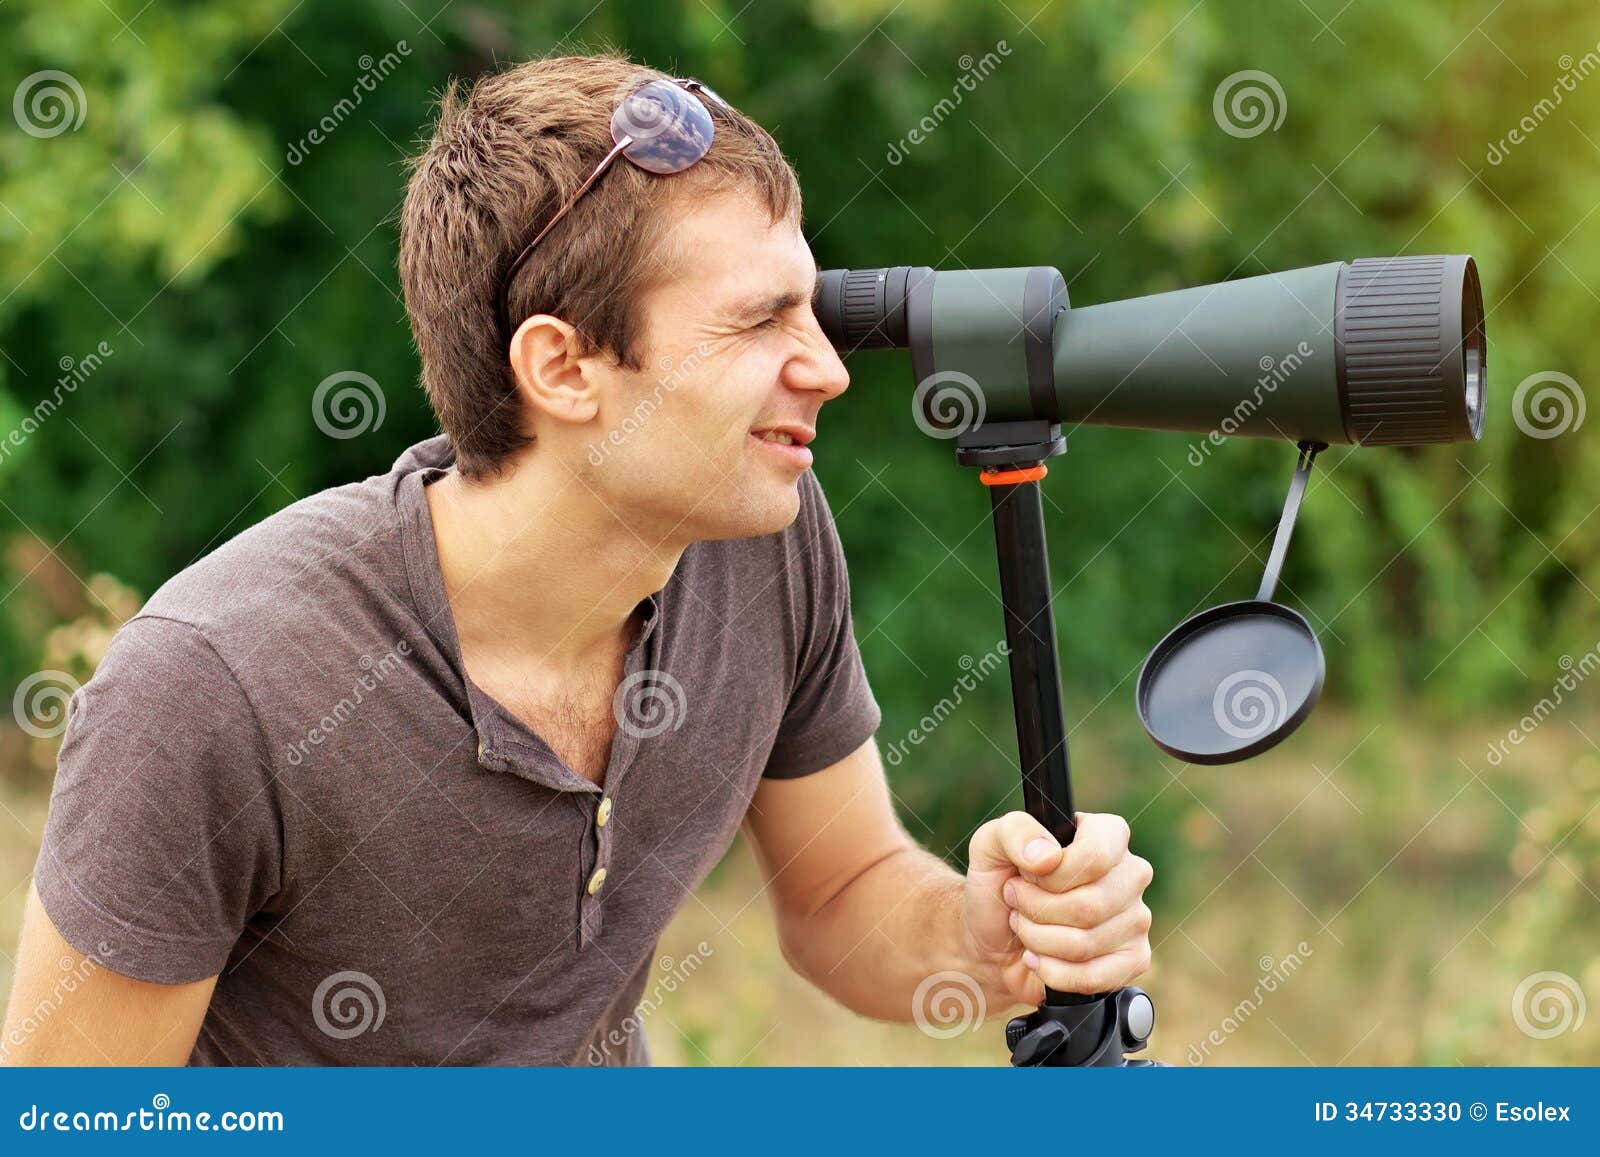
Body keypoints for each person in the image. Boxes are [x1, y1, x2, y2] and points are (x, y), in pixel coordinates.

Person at [1, 51, 1152, 1065]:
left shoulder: (763, 543)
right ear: (560, 367)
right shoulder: (215, 685)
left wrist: (979, 930)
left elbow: (843, 892)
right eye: (759, 322)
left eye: (815, 312)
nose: (830, 369)